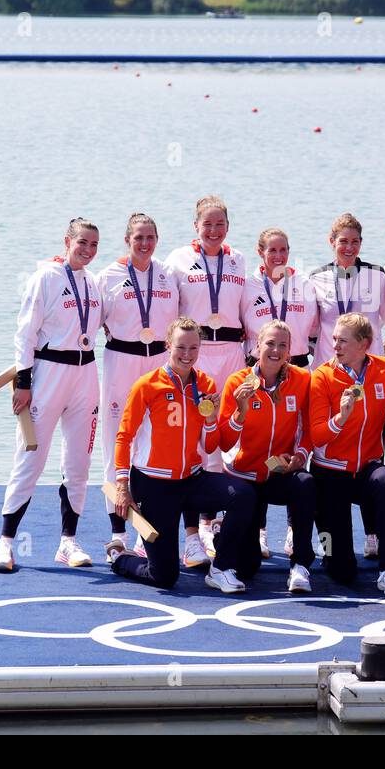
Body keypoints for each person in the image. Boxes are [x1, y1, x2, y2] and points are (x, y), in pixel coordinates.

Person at [107, 317, 255, 593]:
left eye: (193, 348)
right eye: (181, 348)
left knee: (243, 495)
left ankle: (220, 567)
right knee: (164, 576)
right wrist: (122, 486)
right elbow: (124, 437)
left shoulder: (207, 385)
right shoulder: (147, 385)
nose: (187, 355)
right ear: (168, 346)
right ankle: (119, 558)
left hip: (190, 480)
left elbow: (211, 446)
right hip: (154, 485)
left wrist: (210, 418)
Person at [0, 219, 103, 573]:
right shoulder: (46, 278)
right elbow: (25, 333)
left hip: (86, 375)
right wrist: (23, 381)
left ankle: (68, 543)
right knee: (30, 460)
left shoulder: (93, 283)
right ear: (67, 241)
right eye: (82, 242)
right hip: (49, 374)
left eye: (94, 245)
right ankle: (5, 545)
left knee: (79, 463)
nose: (87, 250)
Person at [163, 196, 248, 564]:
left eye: (220, 224)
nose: (213, 231)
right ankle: (191, 535)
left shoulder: (239, 260)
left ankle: (214, 525)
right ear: (195, 225)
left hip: (230, 352)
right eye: (206, 224)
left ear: (227, 226)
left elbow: (249, 311)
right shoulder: (177, 260)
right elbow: (166, 311)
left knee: (224, 439)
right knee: (194, 443)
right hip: (195, 356)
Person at [306, 212, 385, 559]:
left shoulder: (376, 276)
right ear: (332, 242)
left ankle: (373, 535)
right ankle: (315, 533)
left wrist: (381, 359)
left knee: (371, 443)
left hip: (368, 373)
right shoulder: (315, 278)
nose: (349, 247)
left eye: (355, 241)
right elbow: (311, 330)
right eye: (343, 241)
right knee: (325, 444)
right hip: (330, 376)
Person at [95, 213, 179, 561]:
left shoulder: (167, 274)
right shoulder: (108, 277)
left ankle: (146, 531)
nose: (145, 244)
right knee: (118, 440)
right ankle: (117, 533)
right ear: (127, 240)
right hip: (121, 359)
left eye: (150, 237)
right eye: (138, 238)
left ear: (157, 240)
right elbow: (87, 321)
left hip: (157, 360)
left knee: (154, 442)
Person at [308, 313, 385, 594]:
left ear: (364, 343)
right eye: (334, 340)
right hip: (329, 472)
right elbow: (317, 435)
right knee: (341, 570)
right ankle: (327, 549)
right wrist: (340, 418)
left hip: (367, 468)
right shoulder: (322, 375)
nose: (335, 346)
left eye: (343, 340)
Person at [218, 320, 316, 592]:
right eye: (269, 343)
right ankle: (223, 533)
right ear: (256, 345)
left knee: (305, 483)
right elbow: (225, 442)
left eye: (282, 345)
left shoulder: (302, 380)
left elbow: (307, 429)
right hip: (244, 477)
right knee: (248, 568)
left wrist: (300, 454)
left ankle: (300, 565)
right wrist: (240, 411)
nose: (275, 350)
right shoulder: (238, 383)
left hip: (277, 474)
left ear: (290, 351)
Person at [240, 227, 319, 557]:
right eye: (272, 250)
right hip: (260, 371)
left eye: (283, 249)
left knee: (294, 446)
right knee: (258, 446)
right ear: (260, 252)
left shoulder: (304, 285)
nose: (279, 256)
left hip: (297, 371)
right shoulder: (247, 287)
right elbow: (240, 328)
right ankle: (257, 532)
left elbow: (317, 330)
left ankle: (292, 531)